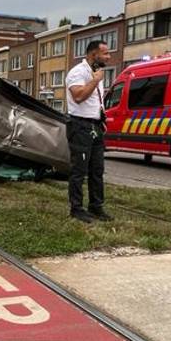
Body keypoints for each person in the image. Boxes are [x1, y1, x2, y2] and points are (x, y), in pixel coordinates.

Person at [65, 39, 113, 222]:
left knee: (97, 169)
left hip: (95, 126)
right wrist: (95, 81)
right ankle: (76, 208)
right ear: (94, 54)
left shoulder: (96, 72)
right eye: (105, 53)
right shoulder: (77, 73)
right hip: (80, 126)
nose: (108, 57)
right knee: (79, 169)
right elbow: (78, 97)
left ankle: (96, 206)